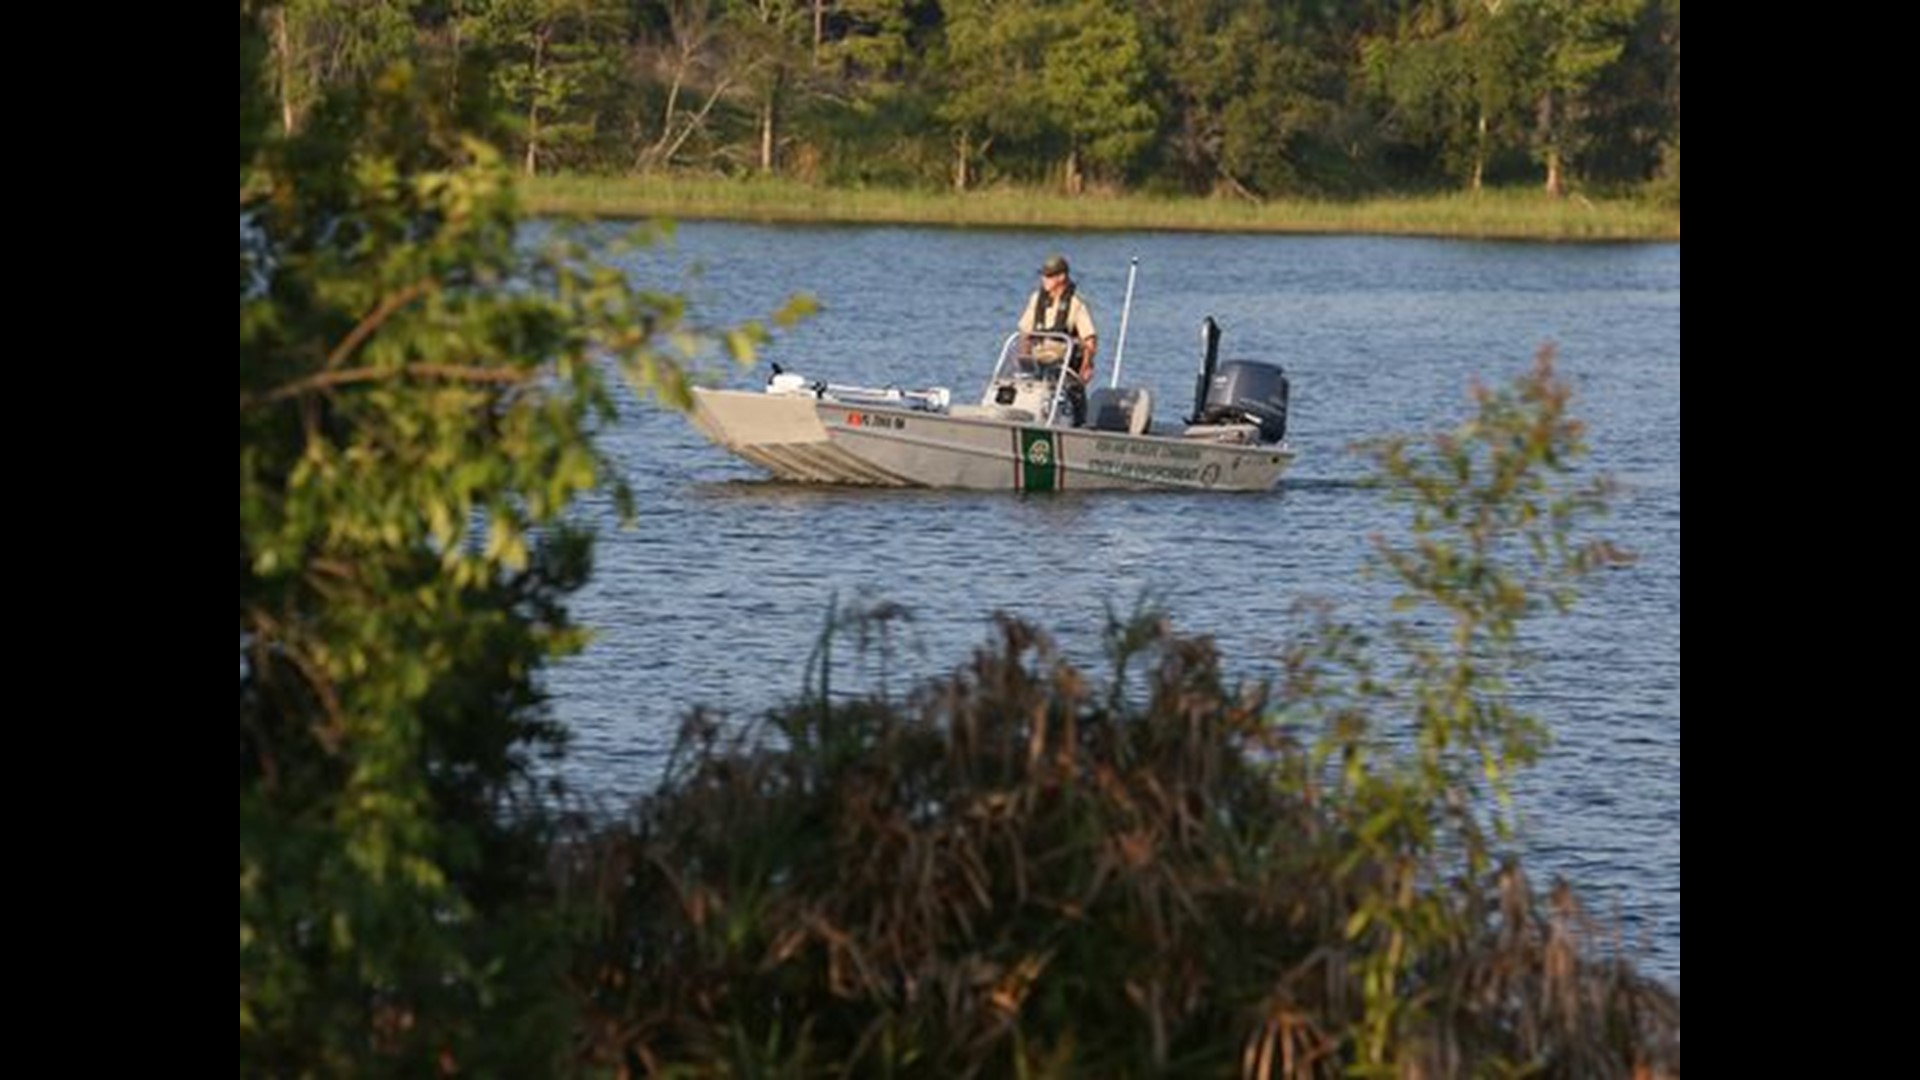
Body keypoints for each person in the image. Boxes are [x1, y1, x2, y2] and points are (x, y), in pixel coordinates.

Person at [1016, 254, 1098, 425]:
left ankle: (1078, 424)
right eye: (1043, 275)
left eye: (1049, 276)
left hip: (1064, 364)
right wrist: (1023, 360)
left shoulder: (1076, 303)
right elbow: (1025, 332)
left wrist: (1087, 367)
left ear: (1061, 277)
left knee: (1072, 392)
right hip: (1038, 360)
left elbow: (1089, 340)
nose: (1044, 279)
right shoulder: (1036, 299)